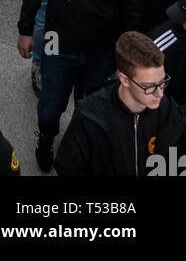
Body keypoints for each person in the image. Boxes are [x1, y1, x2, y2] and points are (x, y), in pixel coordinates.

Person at [17, 0, 143, 171]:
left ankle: (78, 146)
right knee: (49, 107)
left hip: (101, 52)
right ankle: (46, 140)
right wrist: (25, 30)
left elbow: (132, 12)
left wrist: (125, 58)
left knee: (89, 108)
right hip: (56, 44)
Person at [54, 30, 186, 176]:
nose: (159, 93)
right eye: (149, 86)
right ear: (124, 79)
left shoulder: (168, 111)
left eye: (162, 82)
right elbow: (68, 167)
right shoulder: (90, 117)